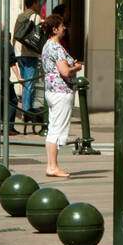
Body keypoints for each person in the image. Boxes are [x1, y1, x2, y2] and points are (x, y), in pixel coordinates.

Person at [41, 13, 82, 177]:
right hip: (61, 91)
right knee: (57, 130)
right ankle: (52, 166)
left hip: (51, 91)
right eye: (62, 26)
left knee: (53, 128)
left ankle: (52, 165)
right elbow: (64, 71)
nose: (64, 28)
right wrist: (76, 68)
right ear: (55, 29)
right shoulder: (56, 47)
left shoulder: (47, 45)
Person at [13, 0, 44, 114]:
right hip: (30, 52)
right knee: (30, 83)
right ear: (34, 3)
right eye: (38, 3)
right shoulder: (35, 16)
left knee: (24, 82)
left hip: (18, 52)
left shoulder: (20, 16)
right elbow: (37, 35)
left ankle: (26, 108)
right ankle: (27, 111)